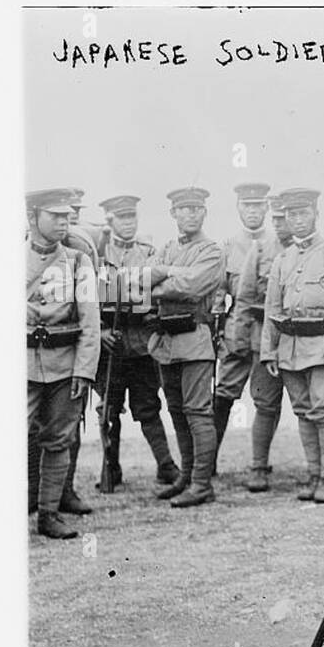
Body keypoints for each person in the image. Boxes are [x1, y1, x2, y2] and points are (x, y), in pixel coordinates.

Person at [261, 188, 324, 503]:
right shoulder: (282, 259)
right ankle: (314, 474)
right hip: (290, 348)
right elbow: (272, 309)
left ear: (316, 215)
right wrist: (269, 350)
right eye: (291, 214)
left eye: (303, 213)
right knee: (304, 413)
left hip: (322, 347)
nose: (298, 220)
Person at [138, 186, 226, 507]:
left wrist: (158, 281)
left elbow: (192, 286)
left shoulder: (212, 251)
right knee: (176, 411)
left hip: (194, 339)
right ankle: (186, 476)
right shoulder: (165, 249)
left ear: (205, 212)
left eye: (196, 209)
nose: (190, 214)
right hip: (165, 342)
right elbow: (136, 281)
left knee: (198, 412)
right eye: (183, 209)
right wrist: (162, 273)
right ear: (172, 213)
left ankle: (202, 484)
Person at [26, 188, 101, 539]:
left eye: (66, 215)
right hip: (21, 365)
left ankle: (49, 514)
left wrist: (85, 370)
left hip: (65, 366)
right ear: (33, 217)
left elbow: (91, 322)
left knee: (58, 440)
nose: (63, 221)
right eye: (54, 215)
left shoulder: (78, 262)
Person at [94, 194, 181, 488]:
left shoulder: (148, 252)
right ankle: (111, 468)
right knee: (109, 409)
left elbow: (157, 290)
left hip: (142, 343)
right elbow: (85, 300)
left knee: (148, 407)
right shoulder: (96, 253)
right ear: (110, 220)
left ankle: (166, 466)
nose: (129, 223)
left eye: (132, 217)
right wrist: (101, 332)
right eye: (122, 218)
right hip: (110, 346)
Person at [212, 182, 280, 474]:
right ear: (238, 208)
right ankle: (206, 463)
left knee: (266, 400)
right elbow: (217, 294)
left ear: (266, 208)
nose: (253, 212)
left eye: (258, 205)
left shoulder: (280, 243)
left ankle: (259, 465)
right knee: (223, 395)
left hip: (268, 332)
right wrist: (217, 331)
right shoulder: (226, 245)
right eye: (247, 206)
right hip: (236, 331)